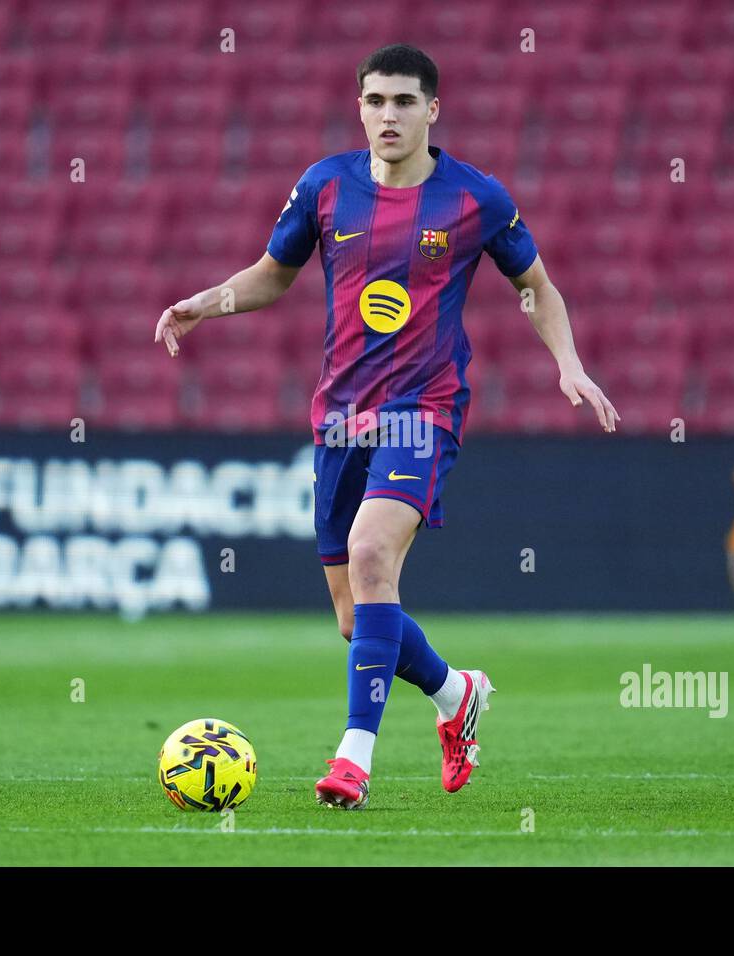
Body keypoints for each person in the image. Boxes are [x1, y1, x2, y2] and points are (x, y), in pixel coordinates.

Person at [155, 43, 618, 809]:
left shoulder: (475, 199)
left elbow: (535, 286)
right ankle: (455, 694)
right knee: (355, 617)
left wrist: (567, 362)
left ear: (433, 110)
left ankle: (353, 758)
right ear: (360, 107)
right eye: (375, 101)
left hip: (422, 411)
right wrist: (207, 302)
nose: (388, 115)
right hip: (339, 418)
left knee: (373, 554)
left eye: (404, 101)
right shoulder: (325, 185)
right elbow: (274, 274)